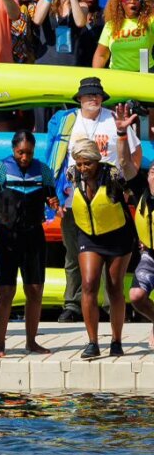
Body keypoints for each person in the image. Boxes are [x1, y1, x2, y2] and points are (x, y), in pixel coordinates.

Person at [45, 78, 141, 323]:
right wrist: (55, 196)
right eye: (88, 95)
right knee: (72, 255)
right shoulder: (67, 122)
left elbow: (135, 152)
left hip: (108, 199)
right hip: (73, 200)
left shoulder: (113, 120)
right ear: (79, 98)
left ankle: (112, 305)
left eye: (97, 95)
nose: (93, 99)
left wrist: (128, 185)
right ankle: (73, 305)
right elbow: (54, 160)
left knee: (111, 256)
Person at [0, 131, 57, 357]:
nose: (24, 157)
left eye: (28, 153)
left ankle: (31, 341)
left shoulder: (43, 170)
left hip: (33, 236)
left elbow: (52, 196)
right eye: (20, 152)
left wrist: (54, 202)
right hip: (6, 237)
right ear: (13, 150)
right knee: (5, 290)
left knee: (35, 289)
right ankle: (0, 344)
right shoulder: (1, 168)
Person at [66, 126, 139, 358]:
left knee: (114, 287)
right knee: (88, 283)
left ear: (97, 160)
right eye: (79, 163)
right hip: (89, 235)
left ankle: (116, 340)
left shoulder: (112, 174)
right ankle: (92, 342)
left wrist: (120, 135)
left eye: (87, 163)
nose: (83, 168)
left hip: (118, 235)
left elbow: (129, 183)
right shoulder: (72, 174)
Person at [92, 0, 154, 72]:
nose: (133, 1)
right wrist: (95, 76)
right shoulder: (111, 25)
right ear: (120, 3)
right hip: (118, 76)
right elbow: (101, 55)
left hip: (145, 73)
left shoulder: (150, 21)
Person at [130, 163, 154, 347]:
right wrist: (122, 135)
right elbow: (125, 164)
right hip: (150, 255)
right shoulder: (141, 193)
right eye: (153, 172)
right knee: (136, 296)